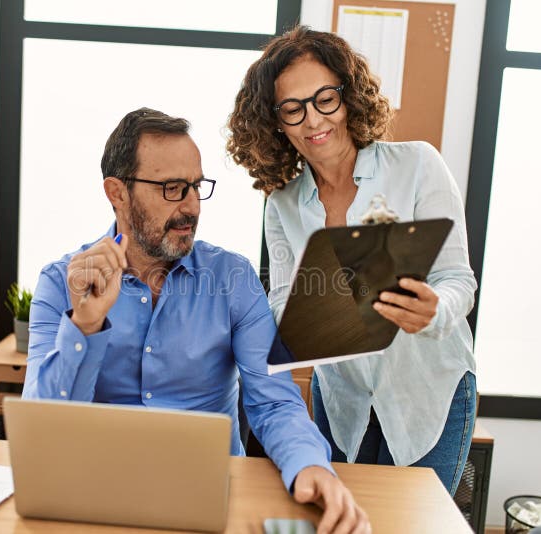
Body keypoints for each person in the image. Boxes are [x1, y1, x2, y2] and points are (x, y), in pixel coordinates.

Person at [23, 107, 371, 534]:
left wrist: (310, 466)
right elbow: (43, 427)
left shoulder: (233, 279)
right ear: (117, 193)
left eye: (196, 186)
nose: (191, 206)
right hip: (97, 497)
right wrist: (85, 324)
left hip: (210, 498)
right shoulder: (62, 283)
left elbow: (274, 401)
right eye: (172, 188)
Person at [226, 26, 477, 495]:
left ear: (349, 97)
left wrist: (434, 310)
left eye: (325, 99)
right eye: (293, 109)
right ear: (275, 122)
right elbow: (281, 301)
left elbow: (456, 279)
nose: (313, 120)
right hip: (344, 399)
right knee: (349, 519)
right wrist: (302, 320)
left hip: (428, 391)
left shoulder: (417, 165)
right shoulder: (282, 204)